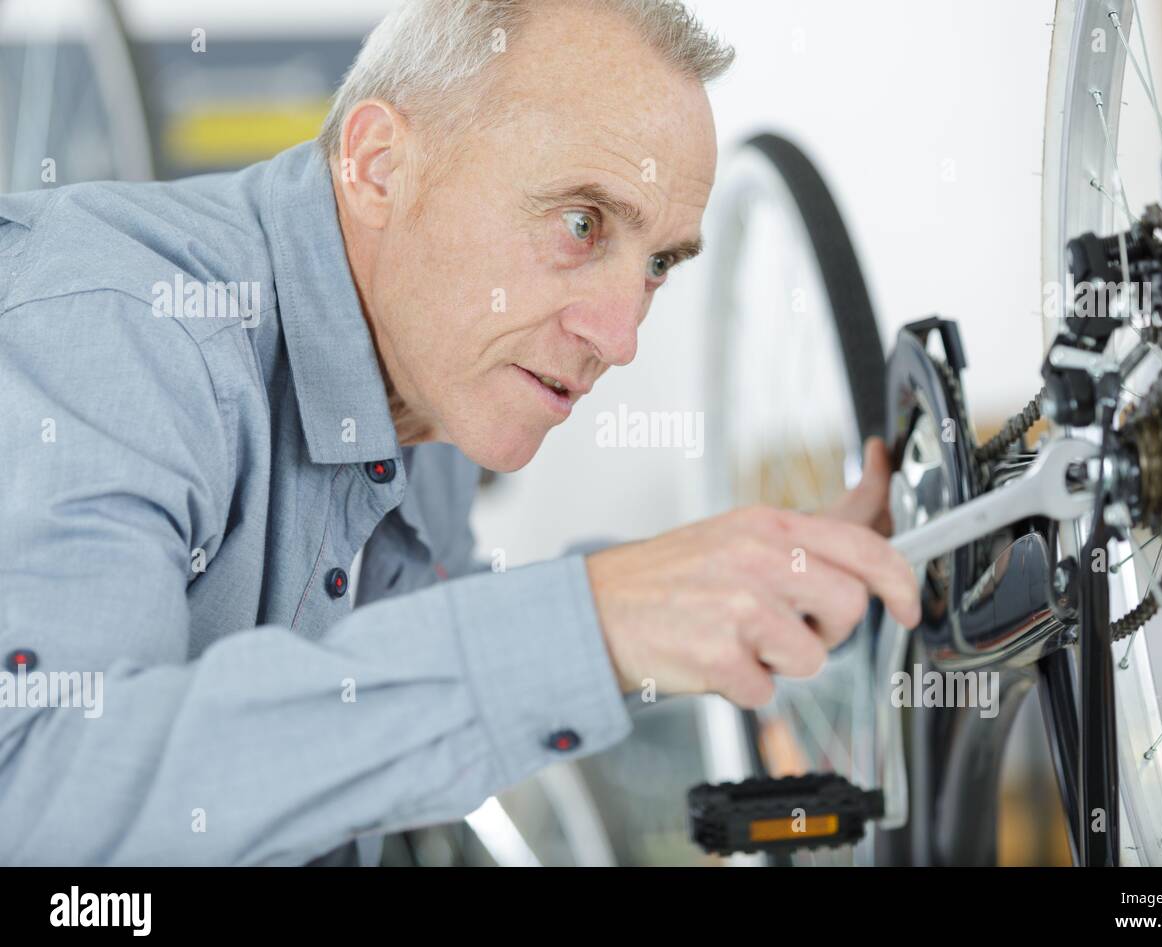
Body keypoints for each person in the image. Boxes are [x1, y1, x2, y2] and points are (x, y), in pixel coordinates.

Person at [0, 0, 918, 865]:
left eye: (659, 265)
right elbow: (39, 794)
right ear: (378, 166)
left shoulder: (426, 382)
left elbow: (397, 650)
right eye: (581, 222)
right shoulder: (125, 329)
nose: (621, 337)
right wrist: (596, 623)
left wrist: (751, 586)